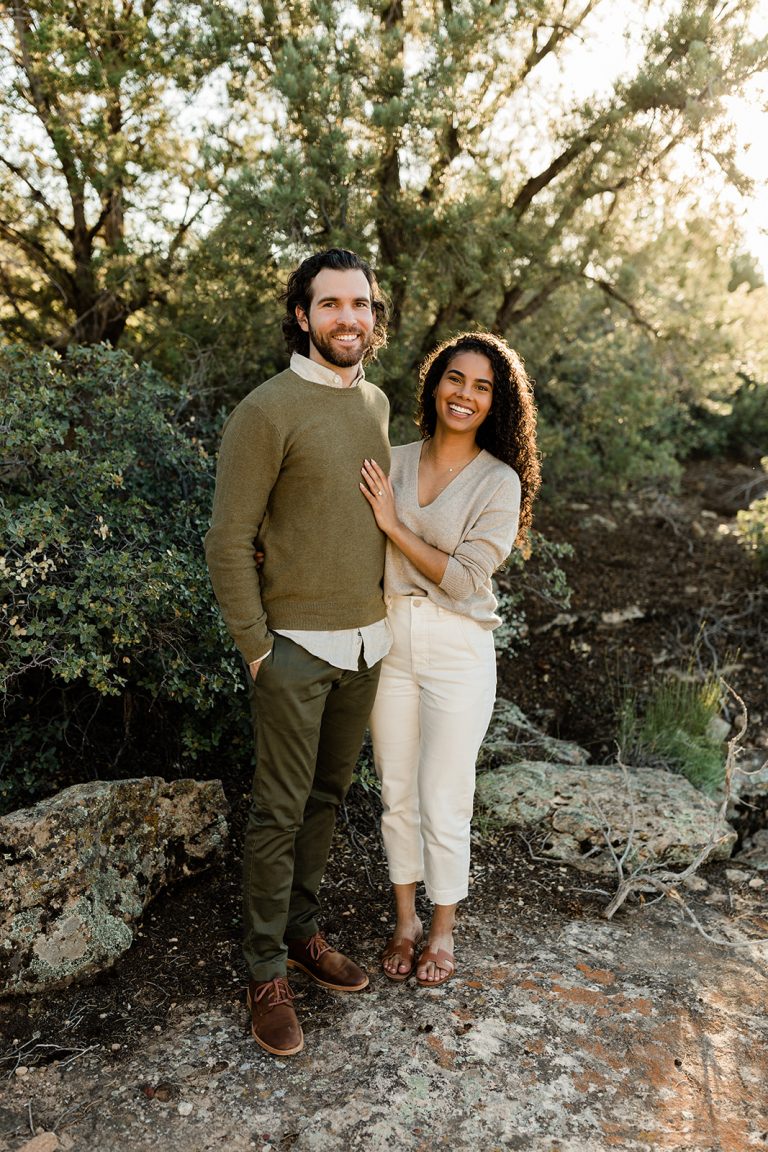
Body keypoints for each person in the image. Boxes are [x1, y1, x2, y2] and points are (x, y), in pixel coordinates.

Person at [205, 248, 391, 1057]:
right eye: (332, 306)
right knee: (279, 810)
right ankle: (263, 971)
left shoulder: (379, 404)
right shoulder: (266, 410)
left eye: (361, 305)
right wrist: (257, 650)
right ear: (302, 315)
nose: (349, 319)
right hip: (293, 651)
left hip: (367, 644)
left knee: (328, 798)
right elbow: (226, 540)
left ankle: (304, 935)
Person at [360, 331, 540, 987]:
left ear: (496, 405)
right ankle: (404, 924)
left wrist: (393, 526)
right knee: (397, 792)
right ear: (436, 385)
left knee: (444, 794)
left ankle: (442, 932)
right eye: (455, 380)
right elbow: (340, 529)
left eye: (482, 387)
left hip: (457, 648)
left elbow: (465, 580)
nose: (465, 395)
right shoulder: (392, 458)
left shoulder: (499, 481)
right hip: (389, 636)